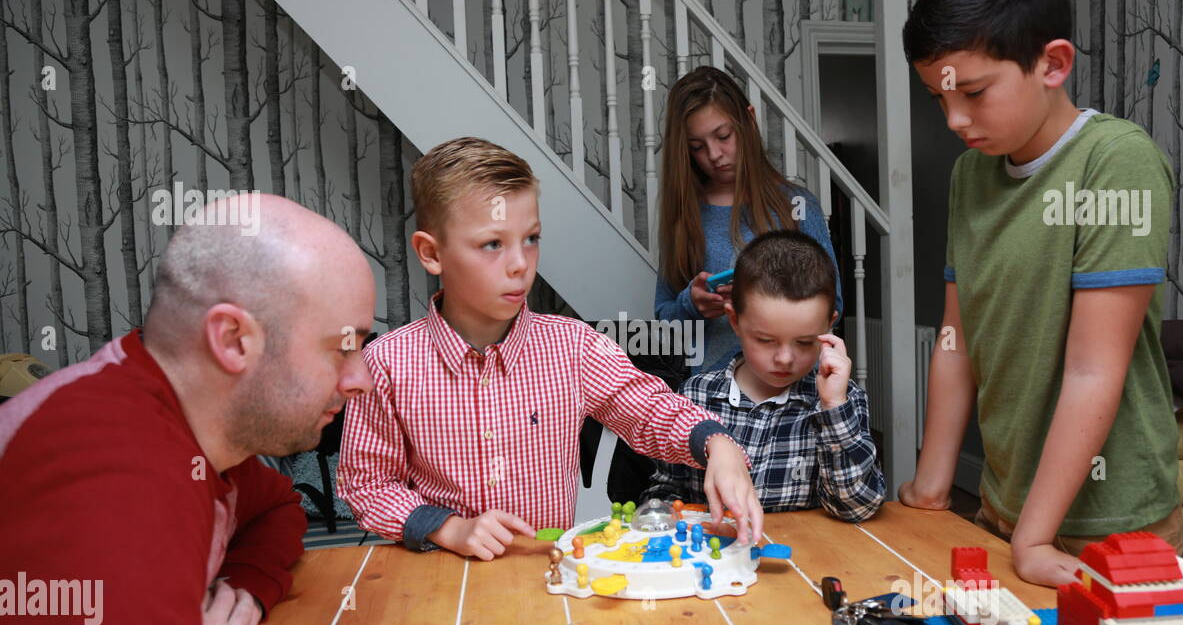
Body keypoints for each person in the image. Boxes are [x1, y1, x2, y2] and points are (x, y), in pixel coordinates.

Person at [0, 195, 376, 625]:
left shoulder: (196, 440)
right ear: (231, 339)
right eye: (342, 347)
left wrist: (241, 596)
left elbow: (277, 509)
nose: (362, 380)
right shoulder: (107, 473)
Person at [897, 0, 1182, 587]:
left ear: (1052, 64)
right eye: (939, 97)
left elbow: (1091, 369)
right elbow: (955, 340)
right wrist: (935, 483)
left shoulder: (1117, 163)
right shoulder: (972, 175)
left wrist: (1035, 535)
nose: (953, 119)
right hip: (1007, 510)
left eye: (973, 92)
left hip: (1112, 525)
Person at [337, 136, 764, 560]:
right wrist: (448, 527)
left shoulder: (572, 347)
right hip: (443, 585)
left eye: (531, 238)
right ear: (431, 253)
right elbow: (366, 486)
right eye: (492, 244)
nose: (521, 263)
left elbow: (648, 408)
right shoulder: (385, 364)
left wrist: (716, 442)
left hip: (548, 579)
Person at [644, 232, 884, 521]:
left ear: (828, 325)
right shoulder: (695, 397)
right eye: (766, 340)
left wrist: (833, 407)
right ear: (735, 321)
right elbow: (663, 493)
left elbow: (858, 507)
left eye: (805, 342)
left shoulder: (843, 400)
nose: (784, 358)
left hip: (805, 560)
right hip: (717, 560)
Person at [654, 66, 843, 373]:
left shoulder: (796, 206)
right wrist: (692, 304)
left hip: (792, 392)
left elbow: (832, 305)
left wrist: (759, 293)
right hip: (712, 397)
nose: (714, 154)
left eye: (723, 136)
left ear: (749, 119)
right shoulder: (686, 216)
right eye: (697, 147)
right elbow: (664, 324)